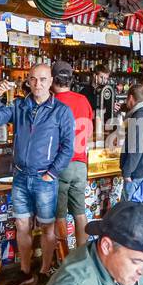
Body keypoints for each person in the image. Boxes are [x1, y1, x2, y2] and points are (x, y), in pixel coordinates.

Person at [0, 63, 74, 285]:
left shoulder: (61, 111)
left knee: (47, 228)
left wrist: (51, 173)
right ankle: (25, 271)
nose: (38, 84)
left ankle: (43, 272)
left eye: (43, 79)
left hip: (45, 178)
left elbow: (67, 148)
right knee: (22, 226)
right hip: (21, 177)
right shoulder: (20, 106)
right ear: (28, 81)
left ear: (51, 81)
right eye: (33, 79)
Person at [51, 61, 95, 247]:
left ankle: (62, 258)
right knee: (80, 213)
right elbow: (90, 130)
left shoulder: (52, 102)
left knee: (59, 215)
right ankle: (81, 254)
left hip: (60, 164)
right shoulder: (83, 100)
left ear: (52, 79)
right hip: (81, 164)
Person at [117, 82, 143, 201]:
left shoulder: (138, 117)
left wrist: (127, 172)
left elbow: (136, 148)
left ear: (130, 97)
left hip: (136, 173)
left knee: (129, 211)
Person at [79, 66, 114, 141]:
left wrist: (113, 108)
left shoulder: (107, 92)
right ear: (95, 76)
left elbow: (110, 115)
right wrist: (103, 110)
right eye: (102, 77)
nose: (104, 81)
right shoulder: (84, 93)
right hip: (89, 132)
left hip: (105, 131)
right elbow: (83, 115)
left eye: (106, 78)